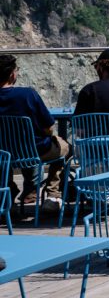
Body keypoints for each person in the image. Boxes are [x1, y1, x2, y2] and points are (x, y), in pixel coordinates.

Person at [0, 53, 71, 208]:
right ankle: (52, 194)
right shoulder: (27, 94)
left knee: (13, 153)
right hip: (34, 151)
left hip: (3, 153)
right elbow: (48, 127)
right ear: (12, 74)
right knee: (64, 147)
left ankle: (11, 191)